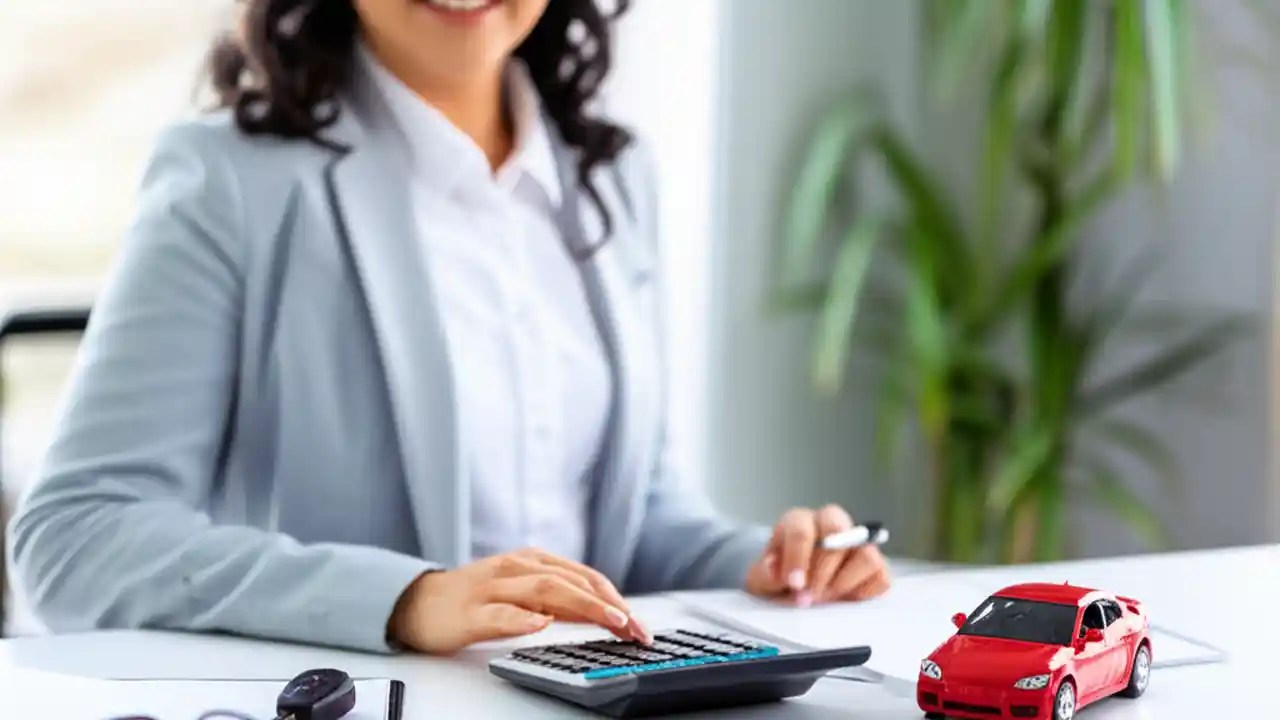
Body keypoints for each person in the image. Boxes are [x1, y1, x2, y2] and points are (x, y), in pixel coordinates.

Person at [8, 0, 890, 655]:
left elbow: (636, 525)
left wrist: (768, 564)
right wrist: (404, 599)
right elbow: (76, 536)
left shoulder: (611, 176)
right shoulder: (230, 182)